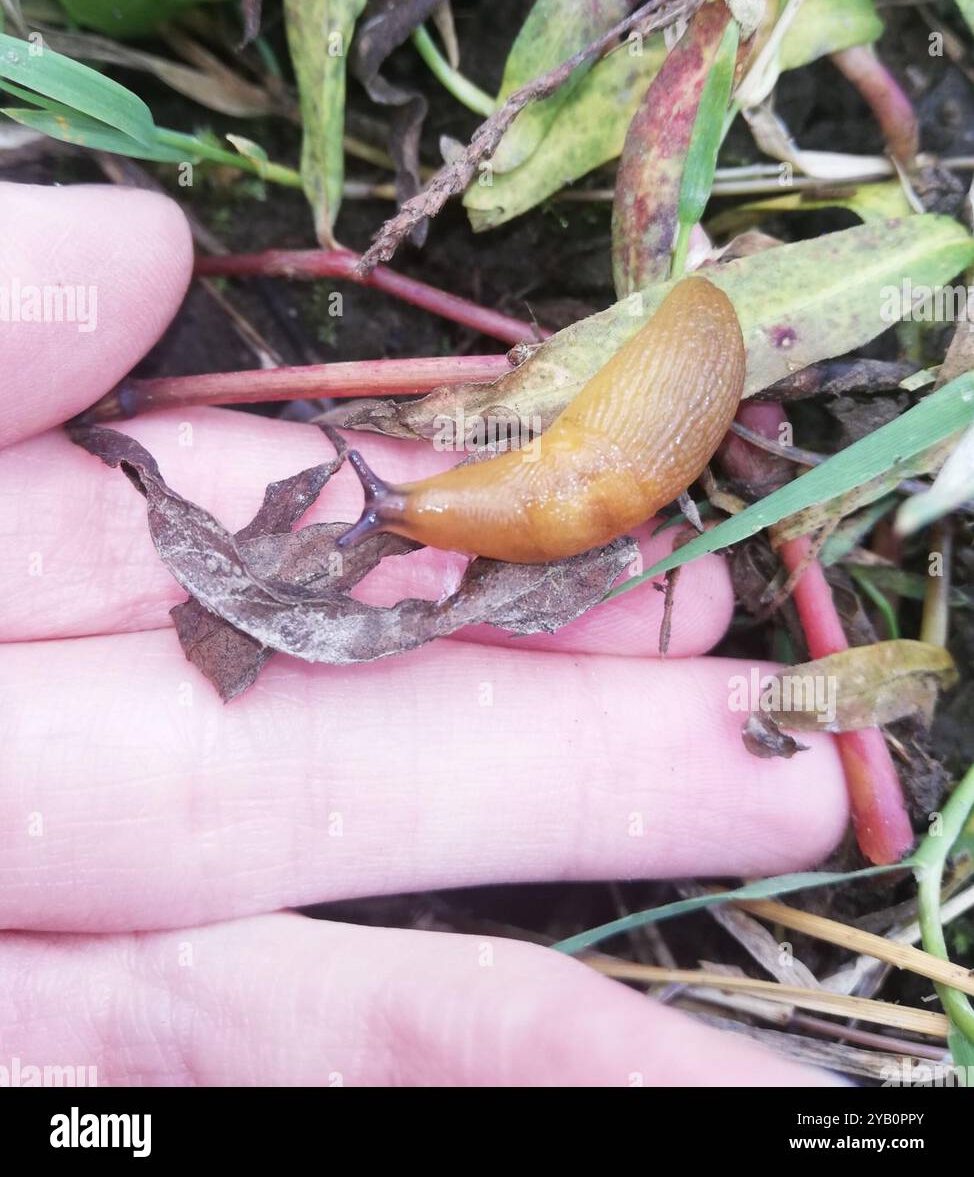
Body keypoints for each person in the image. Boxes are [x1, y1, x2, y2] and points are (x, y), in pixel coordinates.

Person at [0, 182, 849, 1086]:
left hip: (653, 402)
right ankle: (417, 505)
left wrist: (416, 511)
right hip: (595, 455)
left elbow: (555, 500)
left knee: (563, 489)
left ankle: (430, 498)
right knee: (546, 492)